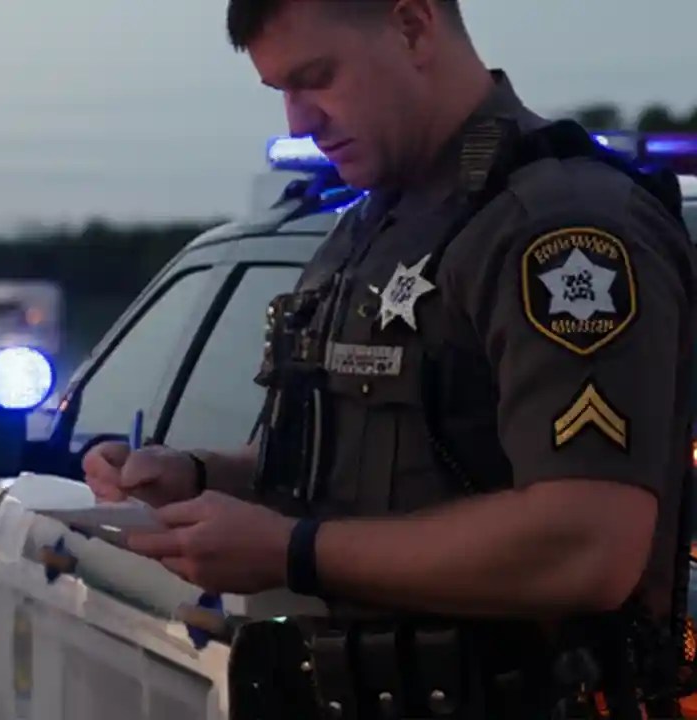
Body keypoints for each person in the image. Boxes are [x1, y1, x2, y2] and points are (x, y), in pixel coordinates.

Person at [84, 1, 697, 717]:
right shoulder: (379, 224)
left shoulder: (560, 230)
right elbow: (362, 462)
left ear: (412, 25)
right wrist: (193, 477)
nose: (297, 122)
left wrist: (293, 552)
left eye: (316, 78)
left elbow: (586, 545)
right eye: (280, 89)